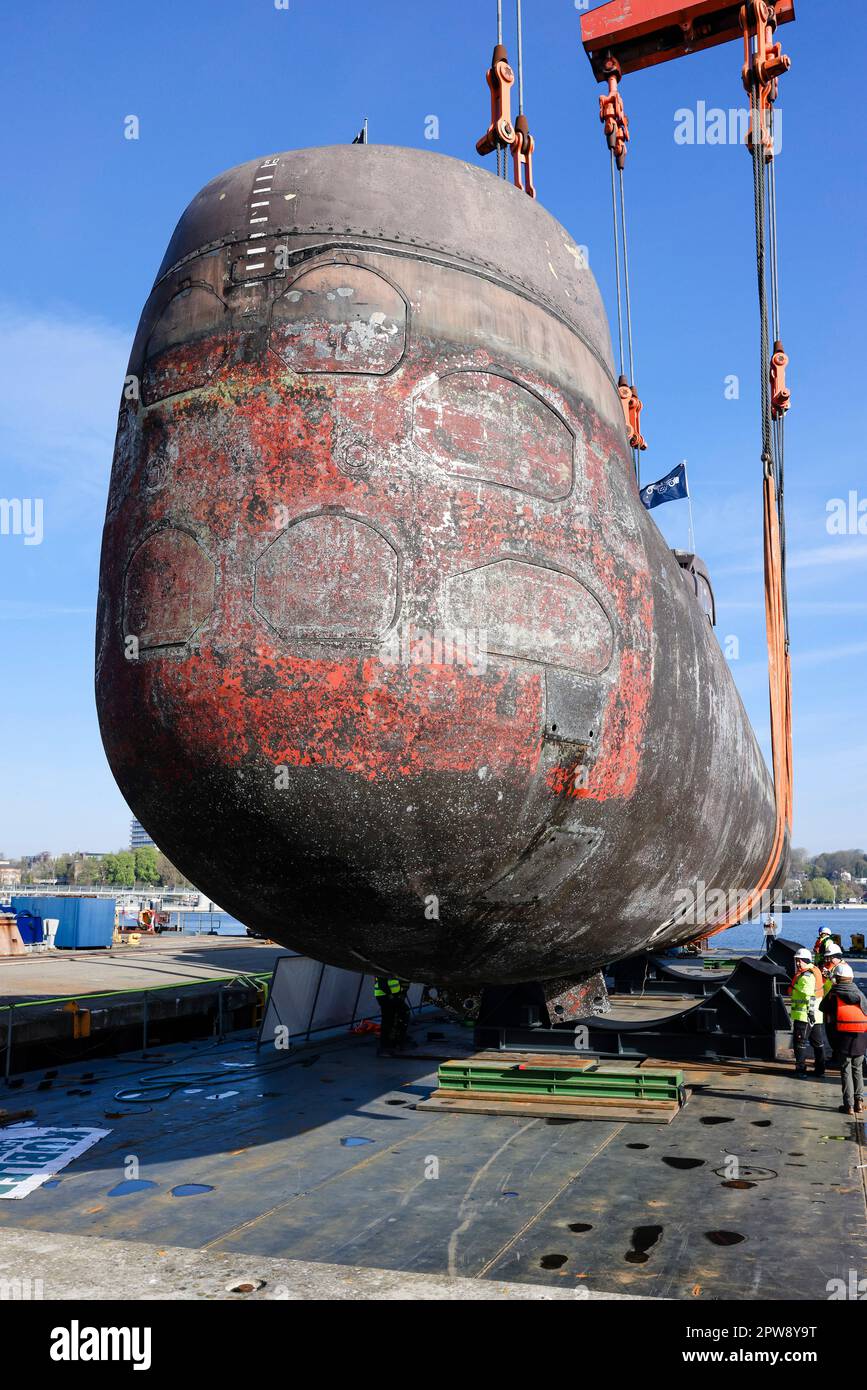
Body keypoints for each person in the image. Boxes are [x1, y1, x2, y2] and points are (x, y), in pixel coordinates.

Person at [821, 961, 867, 1116]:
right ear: (851, 978)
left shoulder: (834, 995)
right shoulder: (860, 994)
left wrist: (832, 987)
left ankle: (848, 1105)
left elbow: (823, 1008)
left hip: (843, 1037)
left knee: (846, 1070)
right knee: (858, 1069)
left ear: (837, 978)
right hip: (860, 1037)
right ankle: (859, 1103)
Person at [789, 948, 827, 1078]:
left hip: (805, 1016)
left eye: (799, 961)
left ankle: (801, 1070)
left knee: (800, 1043)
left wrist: (810, 1013)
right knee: (818, 1043)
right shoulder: (814, 971)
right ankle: (820, 1069)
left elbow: (810, 996)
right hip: (816, 1015)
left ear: (806, 961)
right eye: (796, 961)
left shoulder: (806, 976)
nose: (798, 964)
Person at [374, 974, 413, 1056]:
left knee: (401, 1015)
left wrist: (401, 995)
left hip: (393, 996)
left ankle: (397, 1040)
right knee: (388, 1019)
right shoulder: (383, 969)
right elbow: (382, 984)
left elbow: (403, 982)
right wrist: (391, 996)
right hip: (385, 996)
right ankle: (386, 1046)